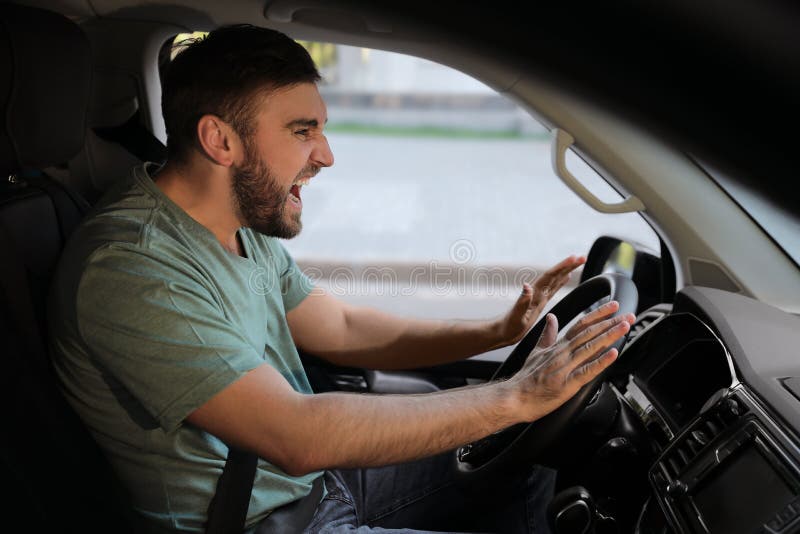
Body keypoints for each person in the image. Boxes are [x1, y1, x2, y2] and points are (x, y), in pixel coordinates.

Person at [48, 24, 634, 533]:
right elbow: (296, 436)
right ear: (219, 140)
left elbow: (343, 325)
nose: (326, 155)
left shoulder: (236, 222)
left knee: (524, 463)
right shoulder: (133, 269)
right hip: (256, 521)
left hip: (311, 488)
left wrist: (498, 331)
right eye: (303, 131)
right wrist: (516, 397)